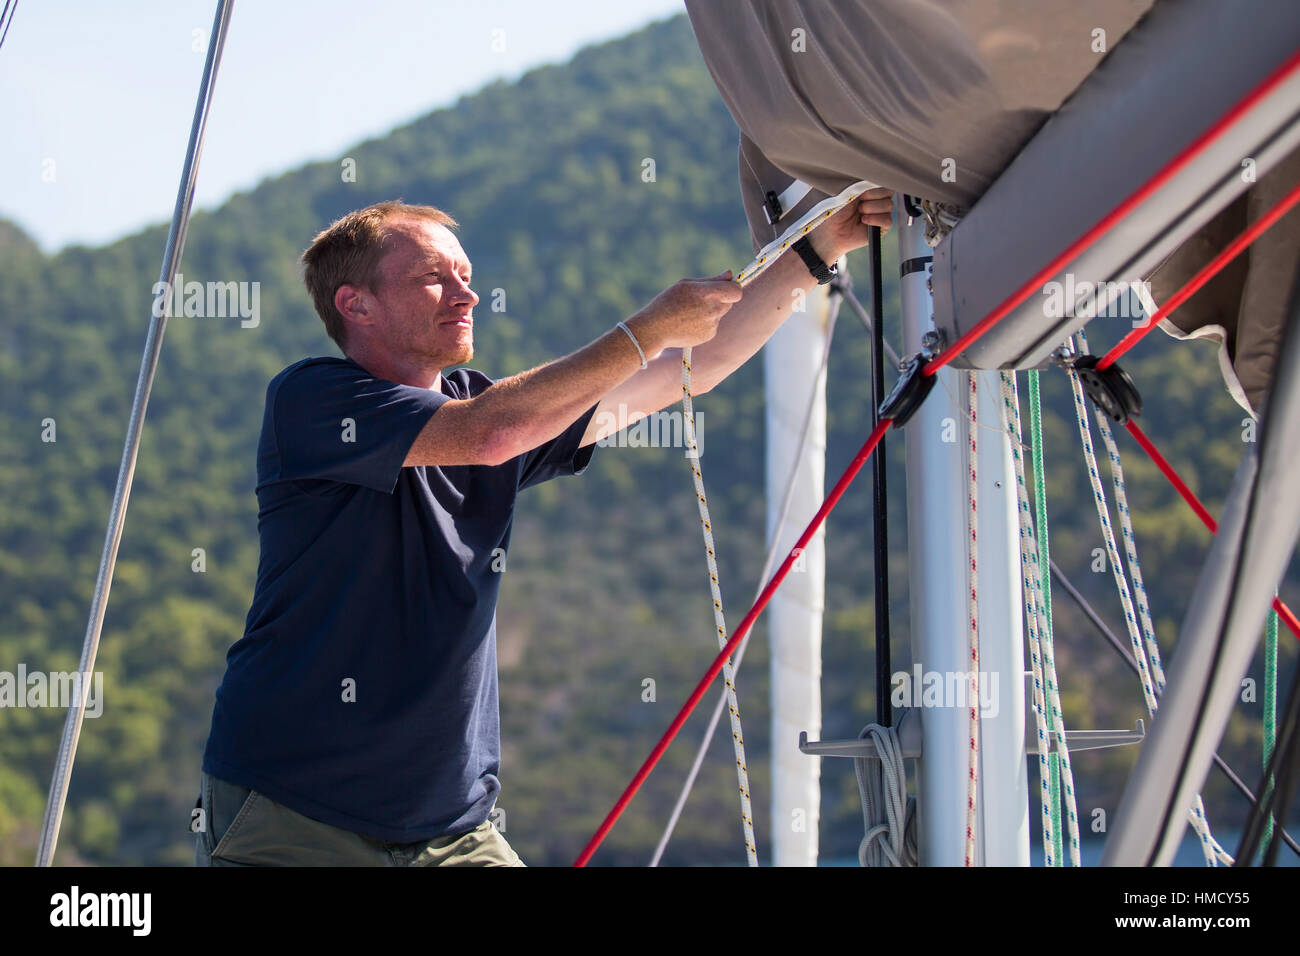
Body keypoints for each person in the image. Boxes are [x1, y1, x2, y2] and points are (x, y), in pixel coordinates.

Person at [194, 191, 893, 866]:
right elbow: (493, 433)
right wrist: (645, 326)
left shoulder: (489, 406)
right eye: (435, 279)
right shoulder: (313, 399)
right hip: (296, 815)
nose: (467, 297)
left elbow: (693, 366)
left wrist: (822, 245)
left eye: (467, 277)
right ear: (357, 305)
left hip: (451, 827)